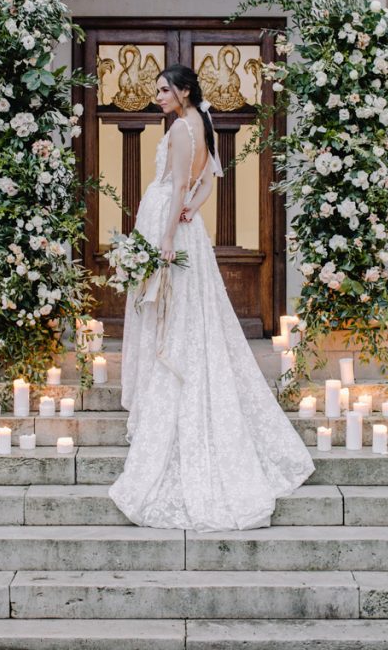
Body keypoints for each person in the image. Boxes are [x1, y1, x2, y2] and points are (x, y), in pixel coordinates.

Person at [108, 64, 314, 531]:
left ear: (183, 91)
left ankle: (172, 380)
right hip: (183, 226)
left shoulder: (183, 127)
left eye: (164, 90)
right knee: (183, 314)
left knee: (170, 312)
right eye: (156, 90)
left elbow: (183, 183)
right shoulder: (202, 121)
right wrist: (189, 213)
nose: (157, 96)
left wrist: (165, 236)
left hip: (169, 230)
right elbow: (211, 181)